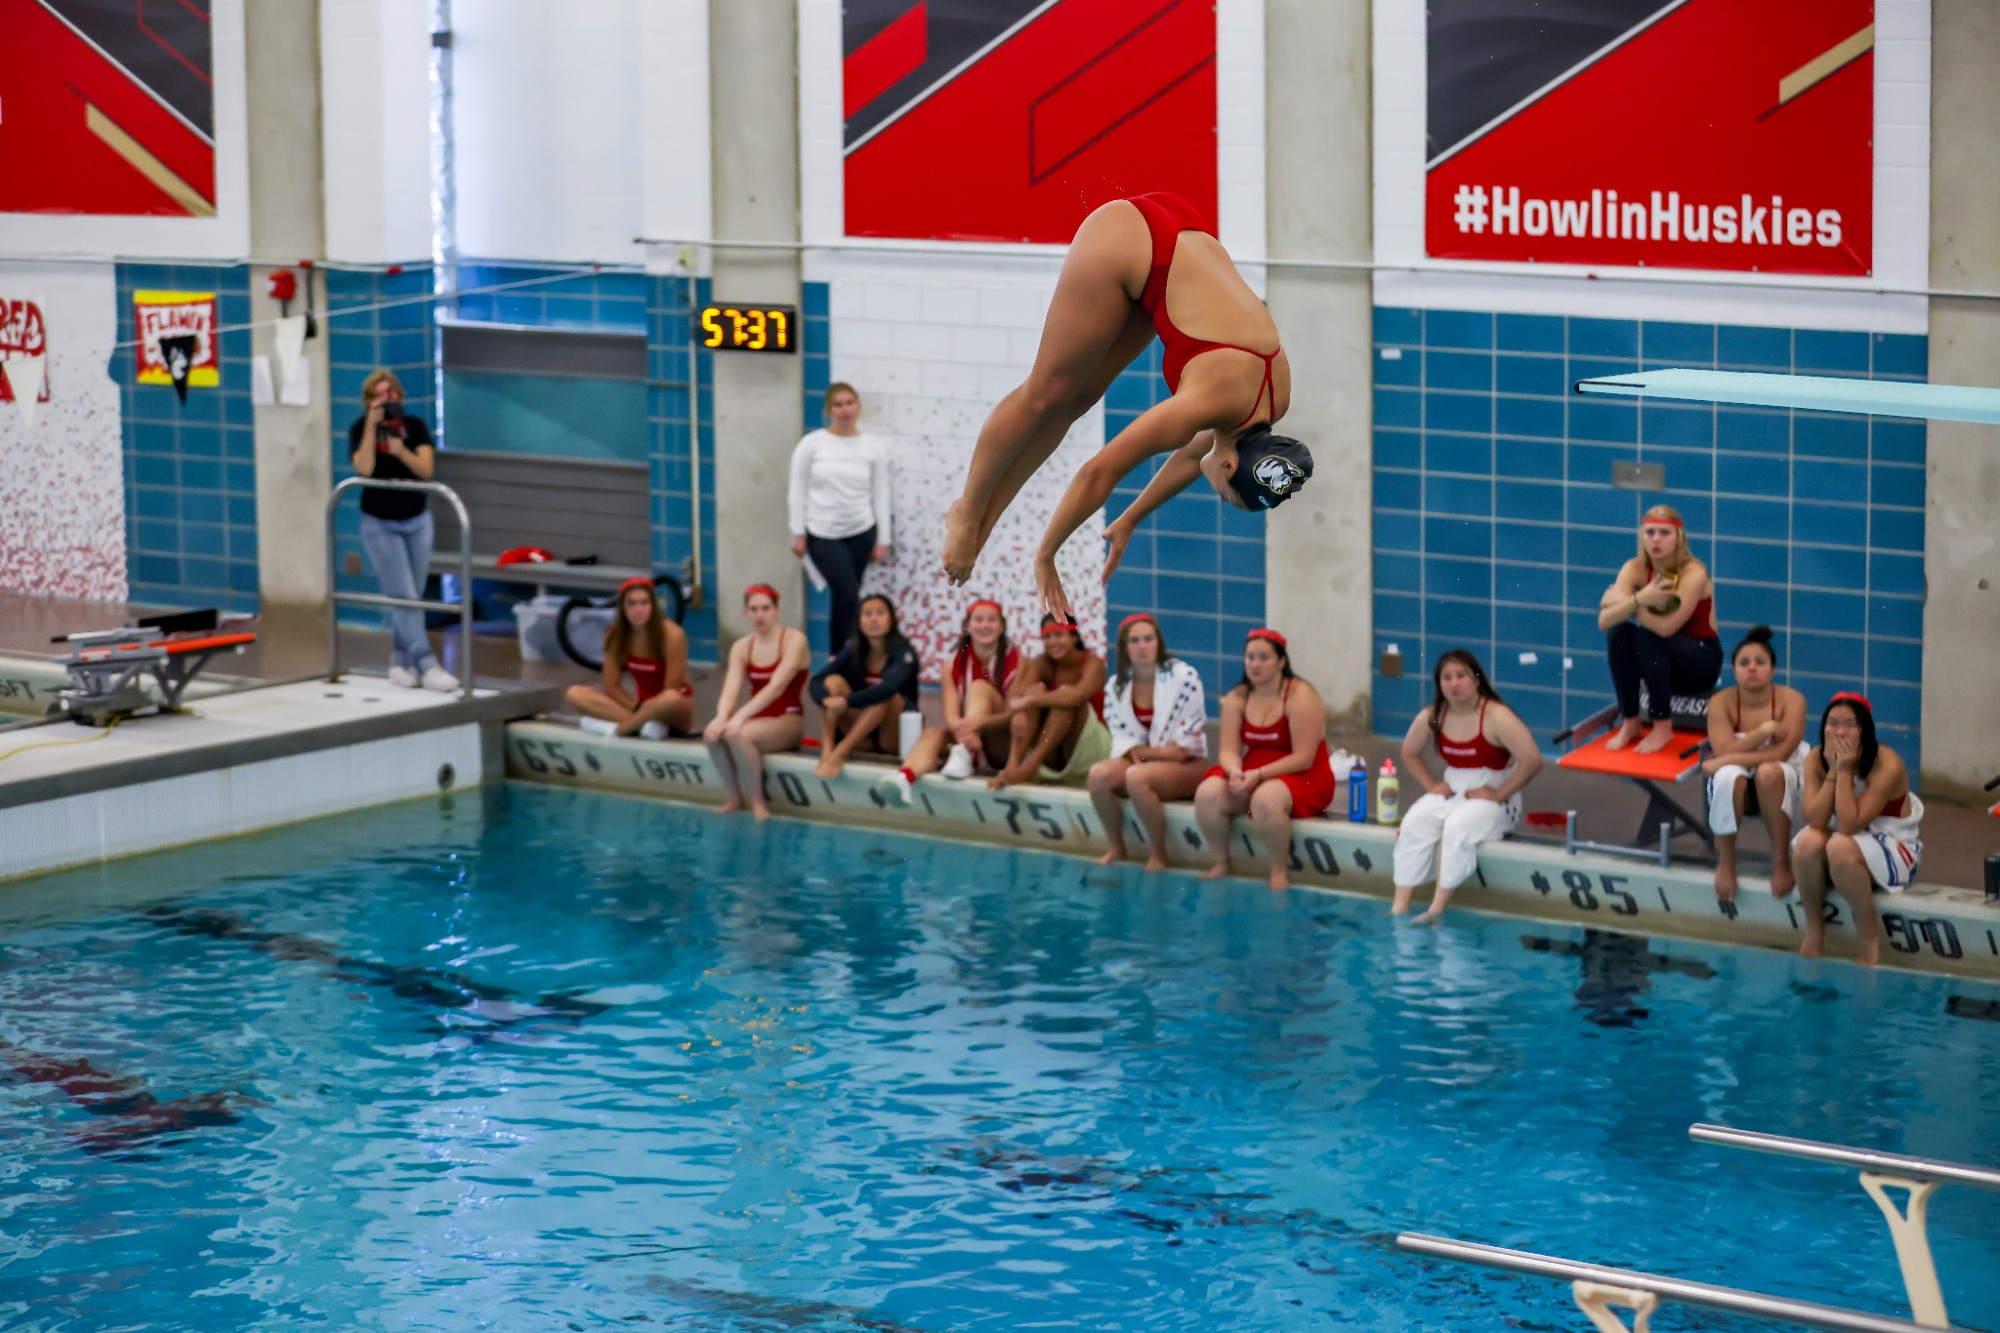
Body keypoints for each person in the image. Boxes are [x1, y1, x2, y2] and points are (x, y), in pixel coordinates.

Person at [938, 193, 1312, 622]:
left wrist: (1132, 517)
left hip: (1179, 238)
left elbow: (1194, 459)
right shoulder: (1200, 406)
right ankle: (968, 514)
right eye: (1227, 499)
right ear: (1229, 469)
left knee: (1077, 399)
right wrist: (1046, 555)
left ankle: (981, 525)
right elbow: (1098, 473)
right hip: (1129, 236)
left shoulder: (1270, 404)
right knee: (1045, 393)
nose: (1219, 497)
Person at [1391, 650, 1542, 924]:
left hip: (1495, 800)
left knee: (1456, 826)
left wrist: (1498, 794)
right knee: (1414, 821)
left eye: (1460, 676)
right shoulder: (1434, 716)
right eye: (1446, 678)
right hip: (1453, 791)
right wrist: (1431, 785)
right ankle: (1399, 906)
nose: (1454, 684)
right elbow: (1409, 752)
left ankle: (1436, 909)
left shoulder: (1496, 716)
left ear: (1476, 679)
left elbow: (1532, 760)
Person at [1193, 629, 1335, 891]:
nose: (1255, 665)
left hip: (1303, 773)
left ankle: (1279, 870)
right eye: (1250, 658)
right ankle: (1221, 862)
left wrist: (1258, 776)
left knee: (1265, 801)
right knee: (1207, 794)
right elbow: (1227, 749)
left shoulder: (1300, 696)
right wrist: (1234, 771)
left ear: (1281, 661)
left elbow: (1304, 758)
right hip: (1253, 769)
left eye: (1263, 658)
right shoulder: (1239, 696)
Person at [1793, 693, 1924, 966]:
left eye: (1850, 724)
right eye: (1833, 723)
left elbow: (1849, 825)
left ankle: (1868, 934)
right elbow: (1815, 821)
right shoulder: (1816, 758)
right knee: (1807, 843)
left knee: (1839, 845)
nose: (1839, 731)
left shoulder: (1887, 764)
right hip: (1845, 843)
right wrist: (1832, 772)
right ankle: (1815, 930)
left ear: (1865, 729)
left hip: (1894, 847)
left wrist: (1844, 770)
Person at [348, 369, 457, 692]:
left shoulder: (416, 427)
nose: (389, 400)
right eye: (381, 395)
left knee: (411, 598)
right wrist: (371, 426)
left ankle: (399, 662)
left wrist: (400, 451)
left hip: (416, 521)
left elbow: (425, 469)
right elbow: (364, 467)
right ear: (369, 402)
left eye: (393, 394)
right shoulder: (359, 429)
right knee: (405, 597)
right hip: (380, 524)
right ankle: (427, 663)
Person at [1086, 614, 1208, 870]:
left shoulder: (1184, 677)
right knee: (1098, 775)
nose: (1142, 646)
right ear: (1124, 648)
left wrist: (1148, 754)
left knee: (1137, 777)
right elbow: (1122, 741)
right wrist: (1154, 753)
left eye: (1148, 639)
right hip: (1145, 760)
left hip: (1189, 765)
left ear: (1158, 643)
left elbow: (1184, 747)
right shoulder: (1116, 687)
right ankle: (1117, 847)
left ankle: (1159, 853)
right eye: (1134, 641)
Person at [1597, 504, 1721, 754]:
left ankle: (1662, 726)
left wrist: (1628, 603)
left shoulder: (1692, 573)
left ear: (1679, 539)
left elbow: (1666, 628)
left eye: (1665, 533)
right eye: (1650, 532)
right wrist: (1642, 598)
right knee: (1619, 634)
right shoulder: (1634, 568)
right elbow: (1604, 621)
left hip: (1701, 661)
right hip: (1661, 661)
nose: (1656, 540)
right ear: (1642, 537)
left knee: (1647, 635)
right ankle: (1631, 721)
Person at [1703, 626, 1810, 902]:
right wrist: (1763, 732)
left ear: (1772, 670)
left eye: (1760, 662)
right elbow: (1724, 748)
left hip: (1781, 781)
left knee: (1769, 771)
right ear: (1735, 671)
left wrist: (1726, 758)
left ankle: (1780, 861)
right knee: (1727, 777)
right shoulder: (1721, 702)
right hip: (1741, 785)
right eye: (1744, 663)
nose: (1752, 668)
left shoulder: (1792, 700)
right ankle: (1726, 863)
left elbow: (1782, 753)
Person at [789, 383, 892, 656]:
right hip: (823, 533)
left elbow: (881, 493)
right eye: (838, 404)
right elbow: (797, 489)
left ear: (858, 406)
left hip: (861, 531)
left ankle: (844, 657)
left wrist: (884, 539)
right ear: (828, 410)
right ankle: (842, 654)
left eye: (849, 403)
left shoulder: (872, 445)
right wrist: (797, 532)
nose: (844, 410)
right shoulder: (812, 444)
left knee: (845, 597)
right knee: (847, 594)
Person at [886, 600, 1021, 800]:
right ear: (967, 626)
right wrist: (967, 732)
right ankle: (904, 778)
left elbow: (1013, 715)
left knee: (979, 688)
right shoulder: (951, 666)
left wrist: (977, 723)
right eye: (979, 620)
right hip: (968, 738)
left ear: (1002, 626)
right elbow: (951, 717)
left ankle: (963, 752)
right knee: (934, 732)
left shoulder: (1018, 662)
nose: (985, 625)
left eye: (991, 620)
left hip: (1000, 741)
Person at [702, 585, 811, 820]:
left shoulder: (794, 640)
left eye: (765, 608)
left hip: (788, 719)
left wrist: (738, 718)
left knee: (736, 734)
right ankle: (734, 798)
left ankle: (758, 803)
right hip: (758, 720)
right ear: (745, 613)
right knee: (712, 734)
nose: (760, 615)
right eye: (754, 609)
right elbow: (730, 691)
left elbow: (776, 687)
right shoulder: (742, 647)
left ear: (777, 611)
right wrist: (721, 718)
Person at [988, 616, 1111, 790]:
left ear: (1074, 637)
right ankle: (1013, 766)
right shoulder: (1042, 663)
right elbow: (1015, 698)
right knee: (1034, 690)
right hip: (1059, 748)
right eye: (1047, 637)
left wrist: (1030, 701)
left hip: (1092, 749)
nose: (1053, 642)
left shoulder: (1092, 663)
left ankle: (1029, 767)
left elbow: (1076, 696)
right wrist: (1021, 711)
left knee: (1064, 695)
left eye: (1059, 635)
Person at [807, 593, 919, 780]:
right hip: (860, 731)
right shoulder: (853, 649)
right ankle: (827, 749)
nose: (874, 619)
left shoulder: (904, 652)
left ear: (891, 619)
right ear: (859, 622)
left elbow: (888, 688)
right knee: (832, 683)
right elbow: (816, 680)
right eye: (867, 614)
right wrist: (827, 700)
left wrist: (847, 702)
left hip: (890, 737)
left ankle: (841, 752)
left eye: (880, 613)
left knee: (885, 694)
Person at [566, 577, 694, 739]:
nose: (638, 609)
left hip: (671, 710)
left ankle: (619, 729)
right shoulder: (614, 635)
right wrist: (638, 710)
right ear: (623, 608)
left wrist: (646, 711)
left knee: (670, 698)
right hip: (639, 708)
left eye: (644, 603)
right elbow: (612, 686)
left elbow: (671, 689)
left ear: (653, 606)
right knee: (575, 693)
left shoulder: (672, 635)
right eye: (632, 603)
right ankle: (645, 727)